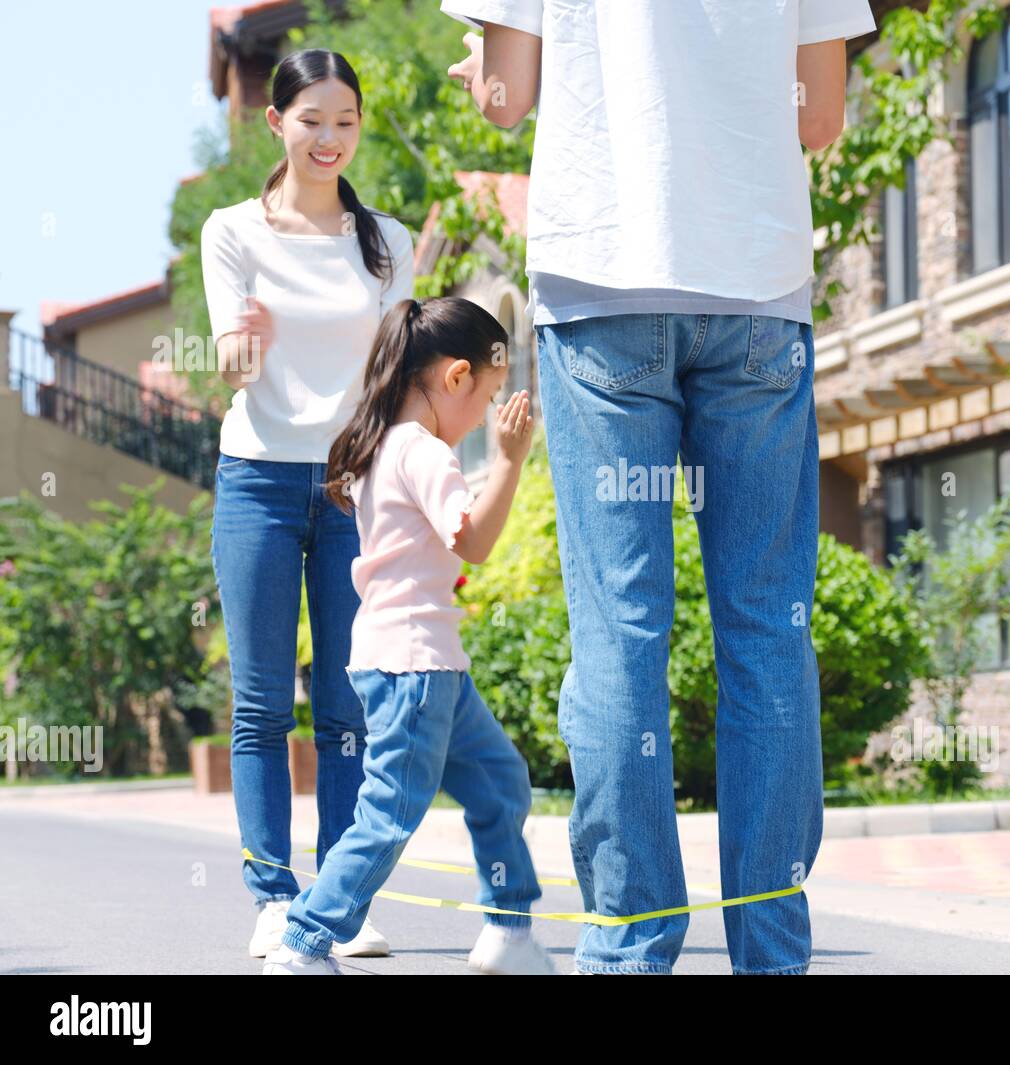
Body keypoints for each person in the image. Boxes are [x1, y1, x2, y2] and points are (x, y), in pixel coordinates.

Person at [442, 0, 876, 974]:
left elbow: (506, 101)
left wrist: (486, 73)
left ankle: (631, 950)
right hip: (756, 295)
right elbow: (818, 118)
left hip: (602, 289)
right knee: (768, 625)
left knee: (620, 630)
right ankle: (770, 949)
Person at [260, 295, 551, 975]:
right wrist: (508, 459)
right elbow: (472, 541)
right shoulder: (421, 452)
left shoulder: (387, 445)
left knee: (500, 784)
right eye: (487, 395)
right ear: (455, 378)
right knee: (389, 813)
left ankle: (509, 932)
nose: (486, 414)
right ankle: (302, 940)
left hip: (427, 665)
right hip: (414, 665)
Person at [201, 48, 414, 960]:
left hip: (352, 487)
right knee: (260, 705)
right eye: (312, 120)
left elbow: (399, 382)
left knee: (348, 703)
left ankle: (339, 894)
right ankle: (272, 896)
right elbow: (233, 373)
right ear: (275, 123)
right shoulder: (232, 231)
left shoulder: (388, 242)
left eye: (345, 122)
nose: (329, 139)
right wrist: (245, 345)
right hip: (256, 478)